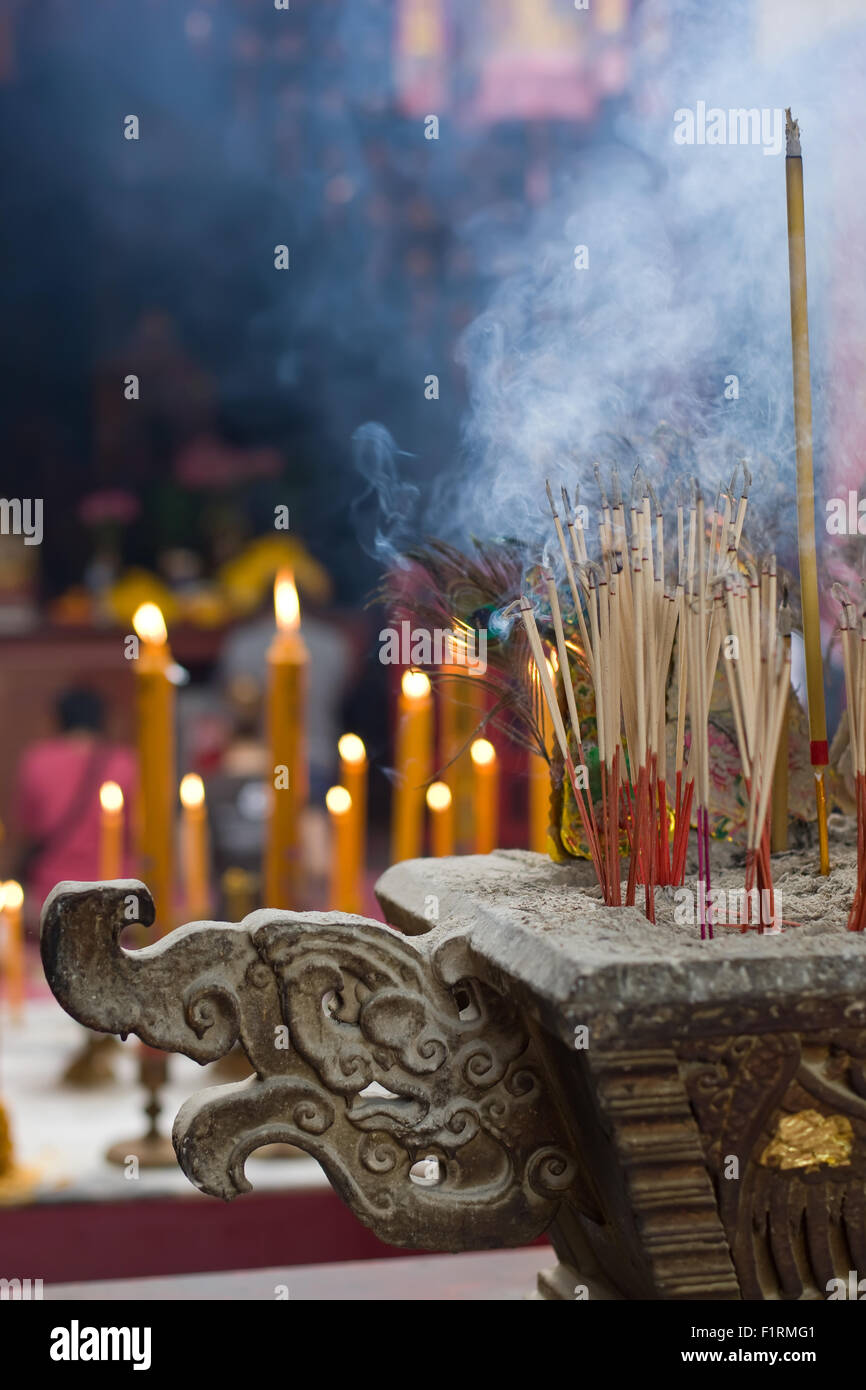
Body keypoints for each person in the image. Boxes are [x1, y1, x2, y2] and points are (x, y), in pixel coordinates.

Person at [12, 687, 136, 929]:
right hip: (116, 894)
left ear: (58, 719)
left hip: (54, 895)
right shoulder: (127, 763)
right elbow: (140, 835)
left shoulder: (37, 761)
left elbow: (27, 830)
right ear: (103, 720)